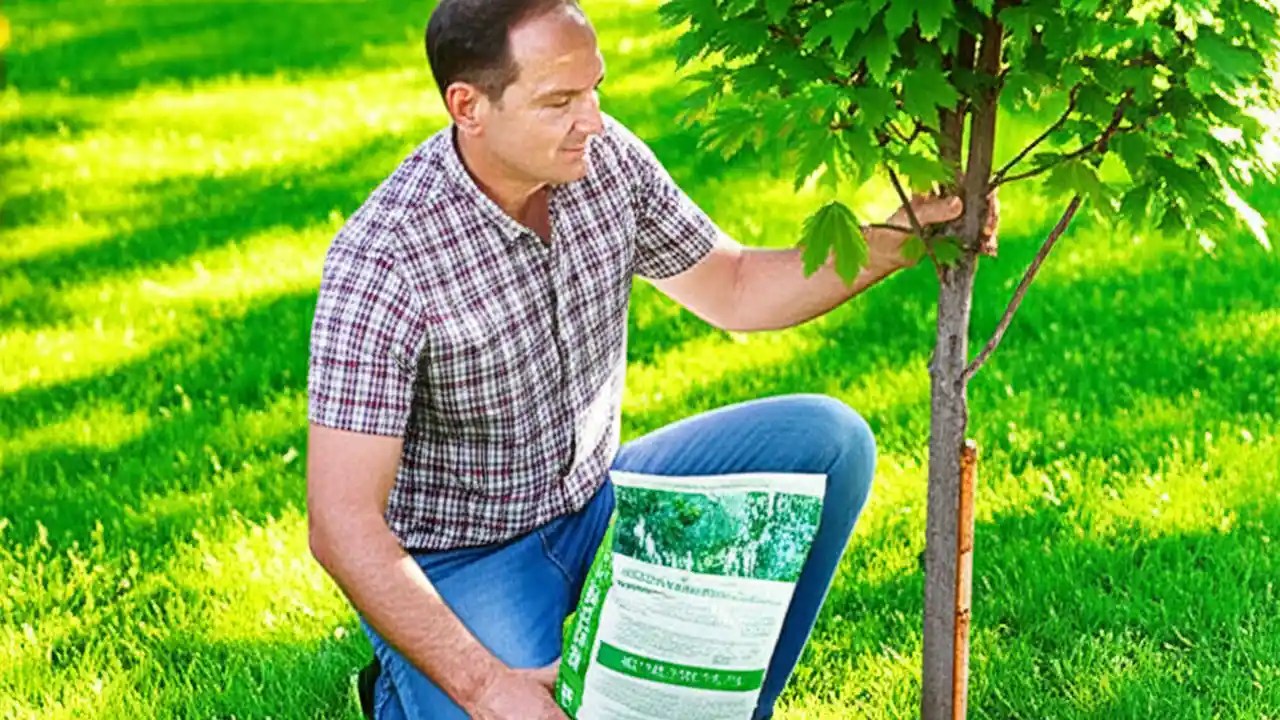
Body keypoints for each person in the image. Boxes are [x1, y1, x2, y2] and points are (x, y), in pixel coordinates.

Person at [306, 1, 984, 718]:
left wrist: (897, 241)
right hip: (465, 556)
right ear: (468, 106)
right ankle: (402, 695)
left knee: (828, 444)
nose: (592, 120)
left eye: (594, 89)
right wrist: (484, 683)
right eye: (560, 101)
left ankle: (729, 708)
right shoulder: (384, 259)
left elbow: (735, 287)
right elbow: (341, 523)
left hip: (600, 500)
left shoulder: (606, 165)